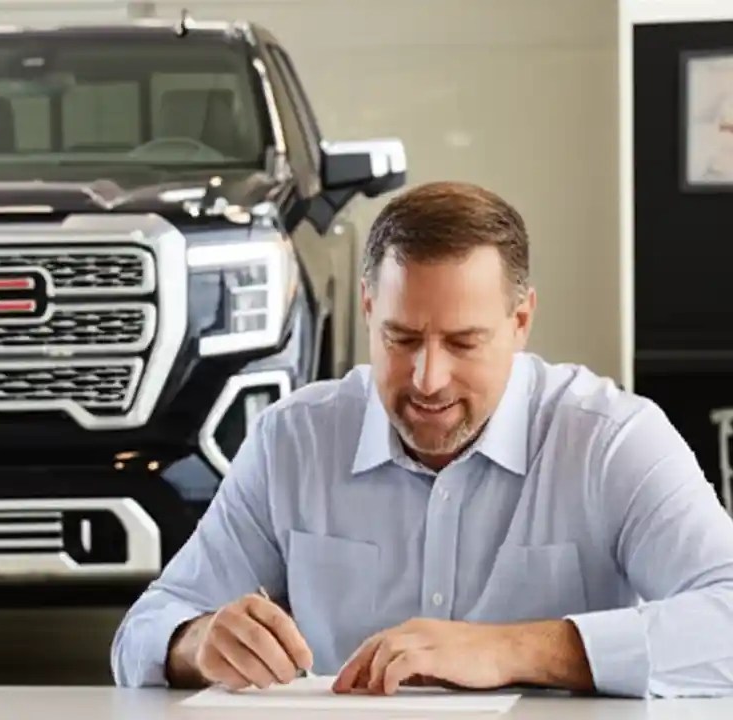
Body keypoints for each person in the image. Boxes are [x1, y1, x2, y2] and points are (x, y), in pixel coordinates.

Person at [110, 181, 733, 698]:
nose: (427, 379)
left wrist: (517, 649)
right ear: (367, 310)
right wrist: (196, 642)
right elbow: (143, 630)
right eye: (401, 339)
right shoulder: (293, 440)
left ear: (521, 322)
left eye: (464, 343)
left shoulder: (611, 440)